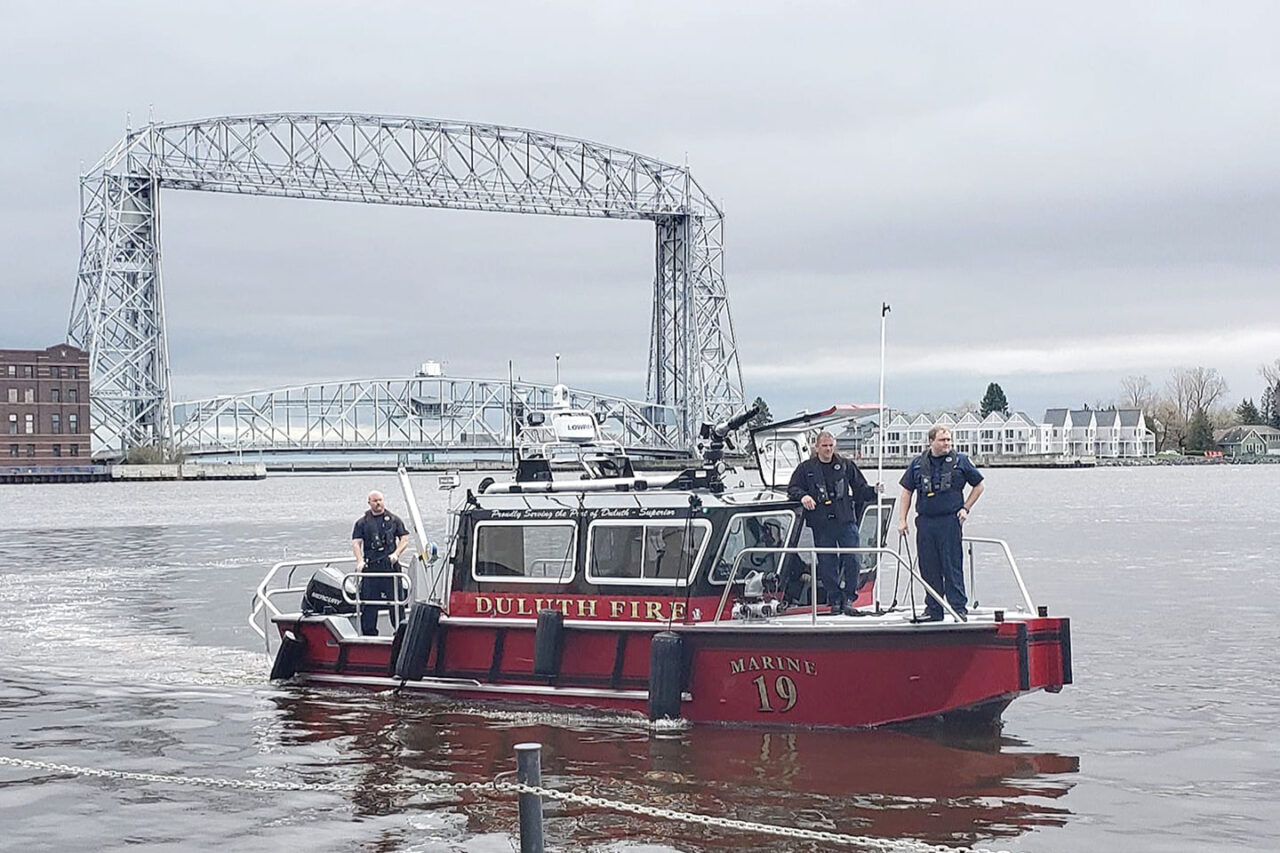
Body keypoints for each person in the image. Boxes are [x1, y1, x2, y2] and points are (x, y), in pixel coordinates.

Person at [896, 426, 985, 622]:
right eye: (943, 440)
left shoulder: (960, 461)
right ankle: (933, 608)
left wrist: (966, 508)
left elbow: (979, 485)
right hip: (926, 522)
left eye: (949, 440)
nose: (947, 444)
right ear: (931, 442)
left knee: (952, 565)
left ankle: (958, 608)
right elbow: (906, 492)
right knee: (928, 567)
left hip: (950, 521)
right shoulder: (918, 464)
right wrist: (902, 519)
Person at [787, 431, 880, 615]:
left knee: (853, 559)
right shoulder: (806, 468)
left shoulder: (846, 465)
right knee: (827, 562)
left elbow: (860, 489)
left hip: (845, 520)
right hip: (822, 523)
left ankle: (849, 597)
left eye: (831, 445)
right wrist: (804, 495)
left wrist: (875, 490)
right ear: (817, 447)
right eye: (824, 446)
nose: (828, 449)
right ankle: (834, 598)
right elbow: (793, 488)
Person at [351, 490, 410, 636]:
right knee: (369, 604)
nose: (378, 503)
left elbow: (404, 539)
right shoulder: (362, 523)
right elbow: (356, 543)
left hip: (390, 567)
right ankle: (369, 635)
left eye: (380, 500)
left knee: (396, 603)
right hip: (371, 568)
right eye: (375, 501)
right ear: (369, 502)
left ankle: (400, 633)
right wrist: (359, 561)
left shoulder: (394, 520)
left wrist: (396, 554)